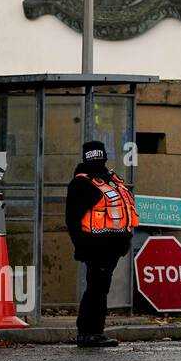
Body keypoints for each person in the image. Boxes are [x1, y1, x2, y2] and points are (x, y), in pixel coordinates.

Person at [65, 140, 138, 348]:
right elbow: (72, 220)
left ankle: (94, 331)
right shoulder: (82, 183)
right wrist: (83, 247)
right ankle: (89, 332)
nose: (99, 161)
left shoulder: (110, 180)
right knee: (96, 289)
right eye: (96, 157)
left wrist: (124, 240)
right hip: (95, 247)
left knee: (99, 288)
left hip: (112, 247)